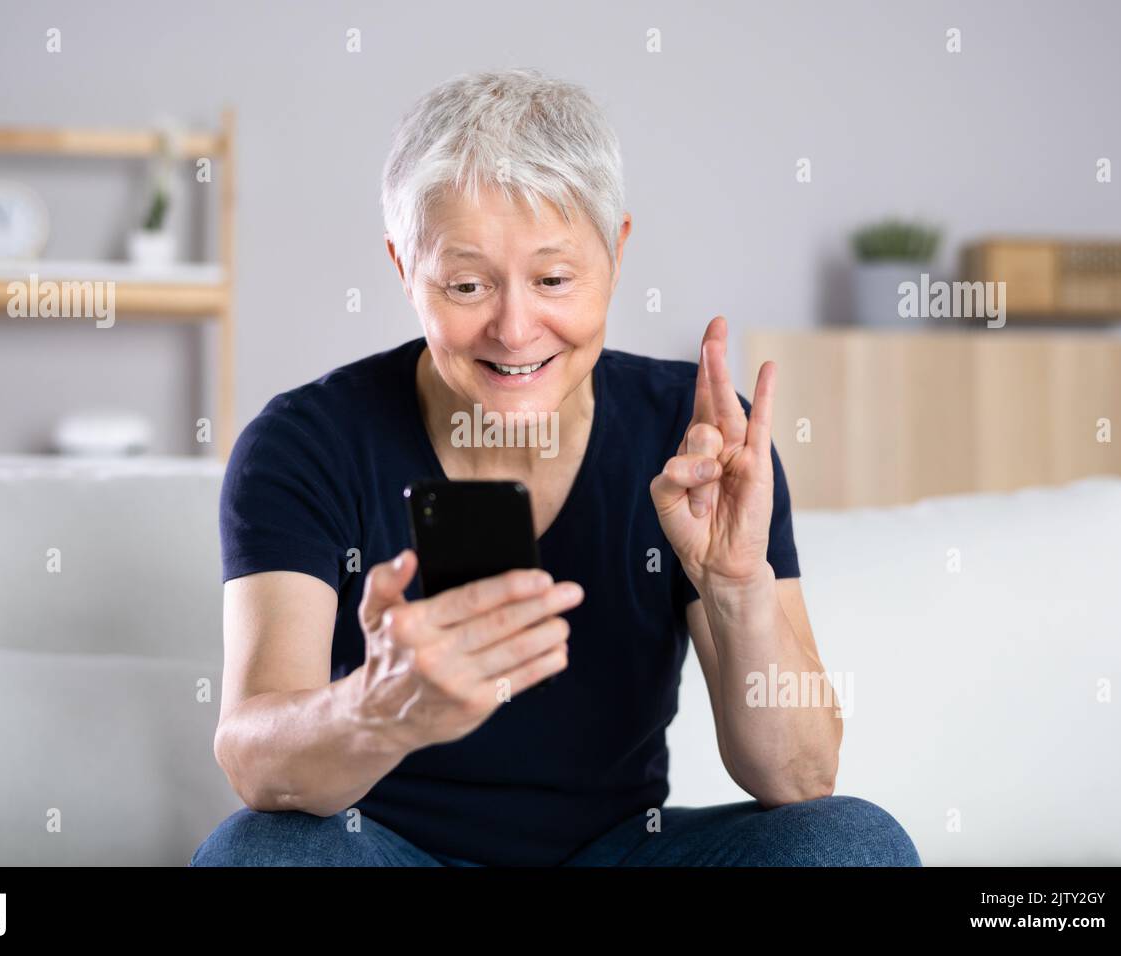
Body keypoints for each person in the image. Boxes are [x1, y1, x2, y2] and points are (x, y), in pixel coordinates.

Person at [191, 68, 920, 867]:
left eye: (553, 279)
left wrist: (738, 589)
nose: (514, 328)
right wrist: (379, 709)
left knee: (853, 842)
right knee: (256, 852)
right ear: (404, 268)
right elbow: (252, 758)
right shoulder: (308, 443)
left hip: (619, 854)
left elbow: (799, 774)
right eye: (466, 285)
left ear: (617, 251)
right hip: (386, 852)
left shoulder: (699, 437)